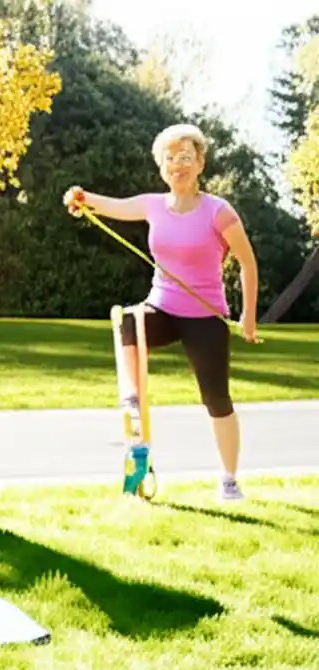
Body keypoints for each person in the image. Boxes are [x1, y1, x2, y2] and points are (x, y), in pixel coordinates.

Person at [64, 123, 260, 501]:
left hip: (205, 316)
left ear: (200, 162)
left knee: (216, 399)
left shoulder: (219, 212)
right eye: (170, 159)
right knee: (129, 320)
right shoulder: (153, 205)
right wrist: (82, 197)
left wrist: (248, 316)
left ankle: (229, 478)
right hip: (163, 307)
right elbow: (113, 206)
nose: (178, 165)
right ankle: (132, 406)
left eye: (185, 157)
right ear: (162, 167)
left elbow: (248, 264)